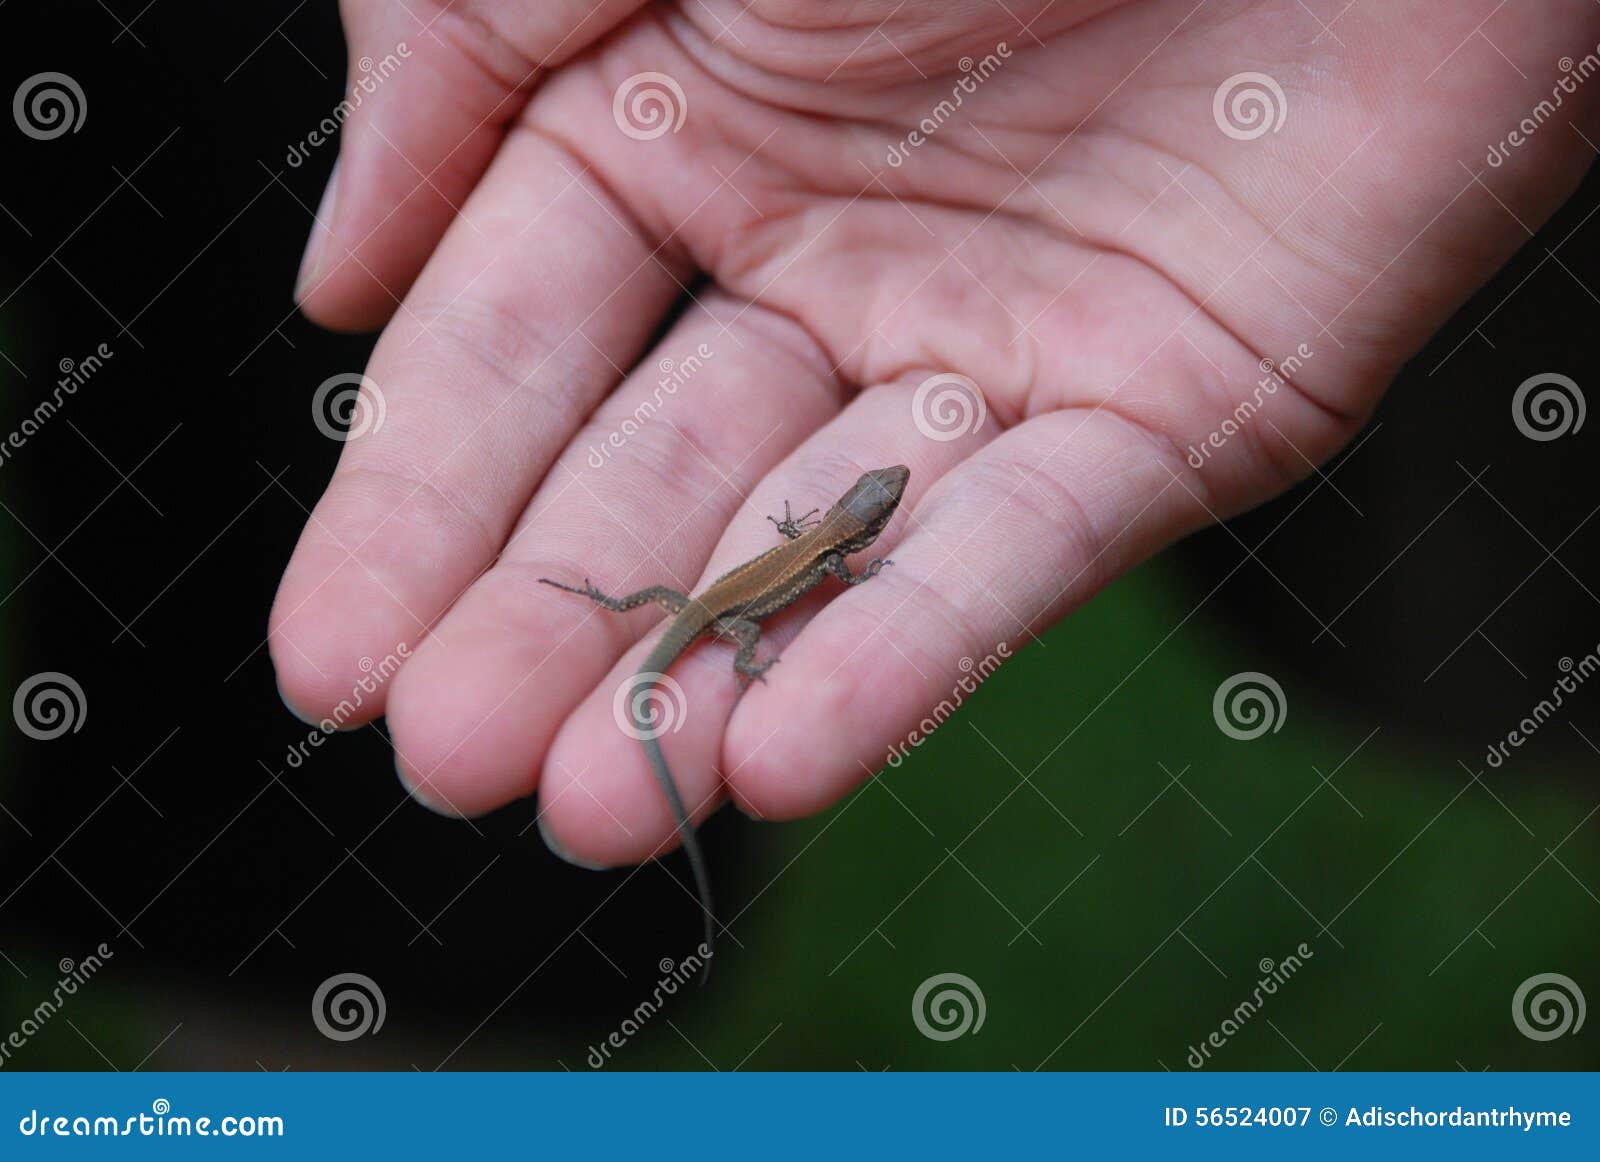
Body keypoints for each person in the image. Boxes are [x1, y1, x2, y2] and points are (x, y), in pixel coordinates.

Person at [270, 0, 1600, 869]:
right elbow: (806, 569)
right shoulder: (831, 557)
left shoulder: (820, 545)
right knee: (699, 643)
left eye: (876, 504)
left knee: (676, 613)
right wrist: (781, 619)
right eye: (876, 505)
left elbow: (800, 554)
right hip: (706, 612)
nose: (883, 505)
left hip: (701, 601)